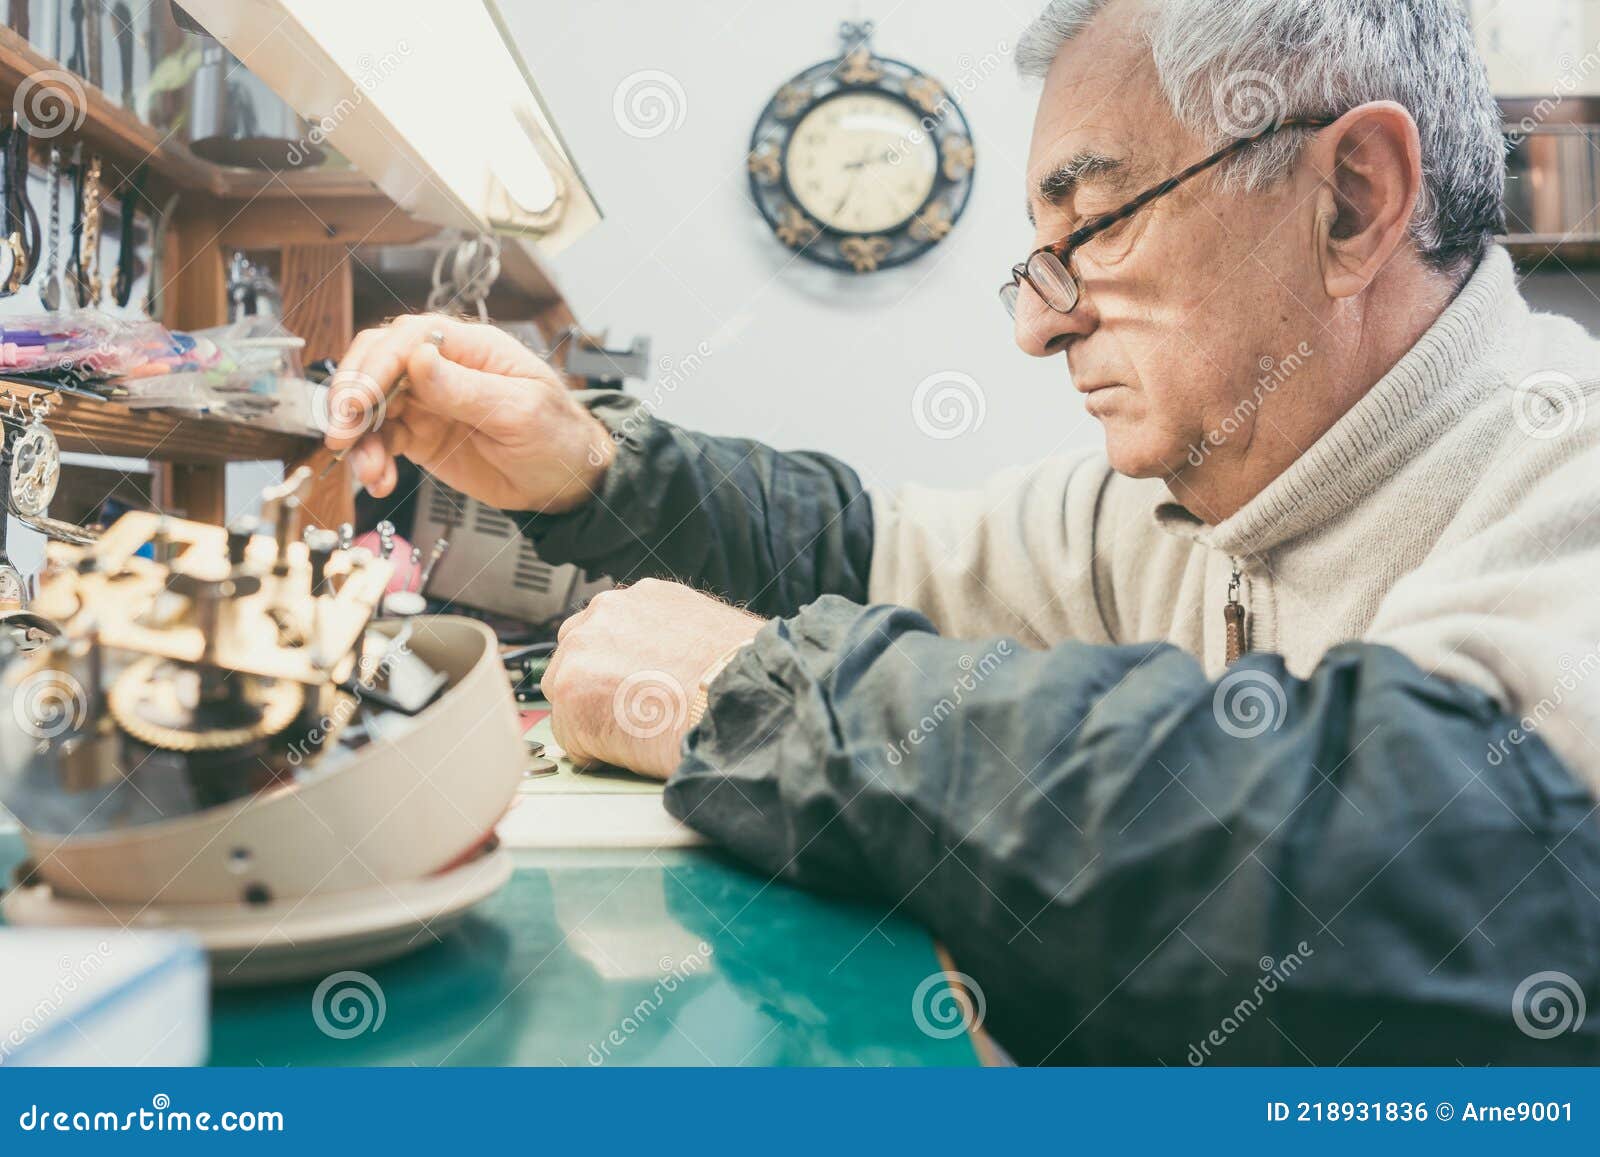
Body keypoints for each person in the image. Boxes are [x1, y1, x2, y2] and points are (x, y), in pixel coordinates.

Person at [327, 0, 1600, 1064]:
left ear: (1351, 201)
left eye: (1092, 231)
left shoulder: (1565, 465)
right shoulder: (1189, 501)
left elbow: (1430, 854)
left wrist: (747, 687)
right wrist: (591, 464)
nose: (1037, 329)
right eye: (1038, 260)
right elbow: (857, 545)